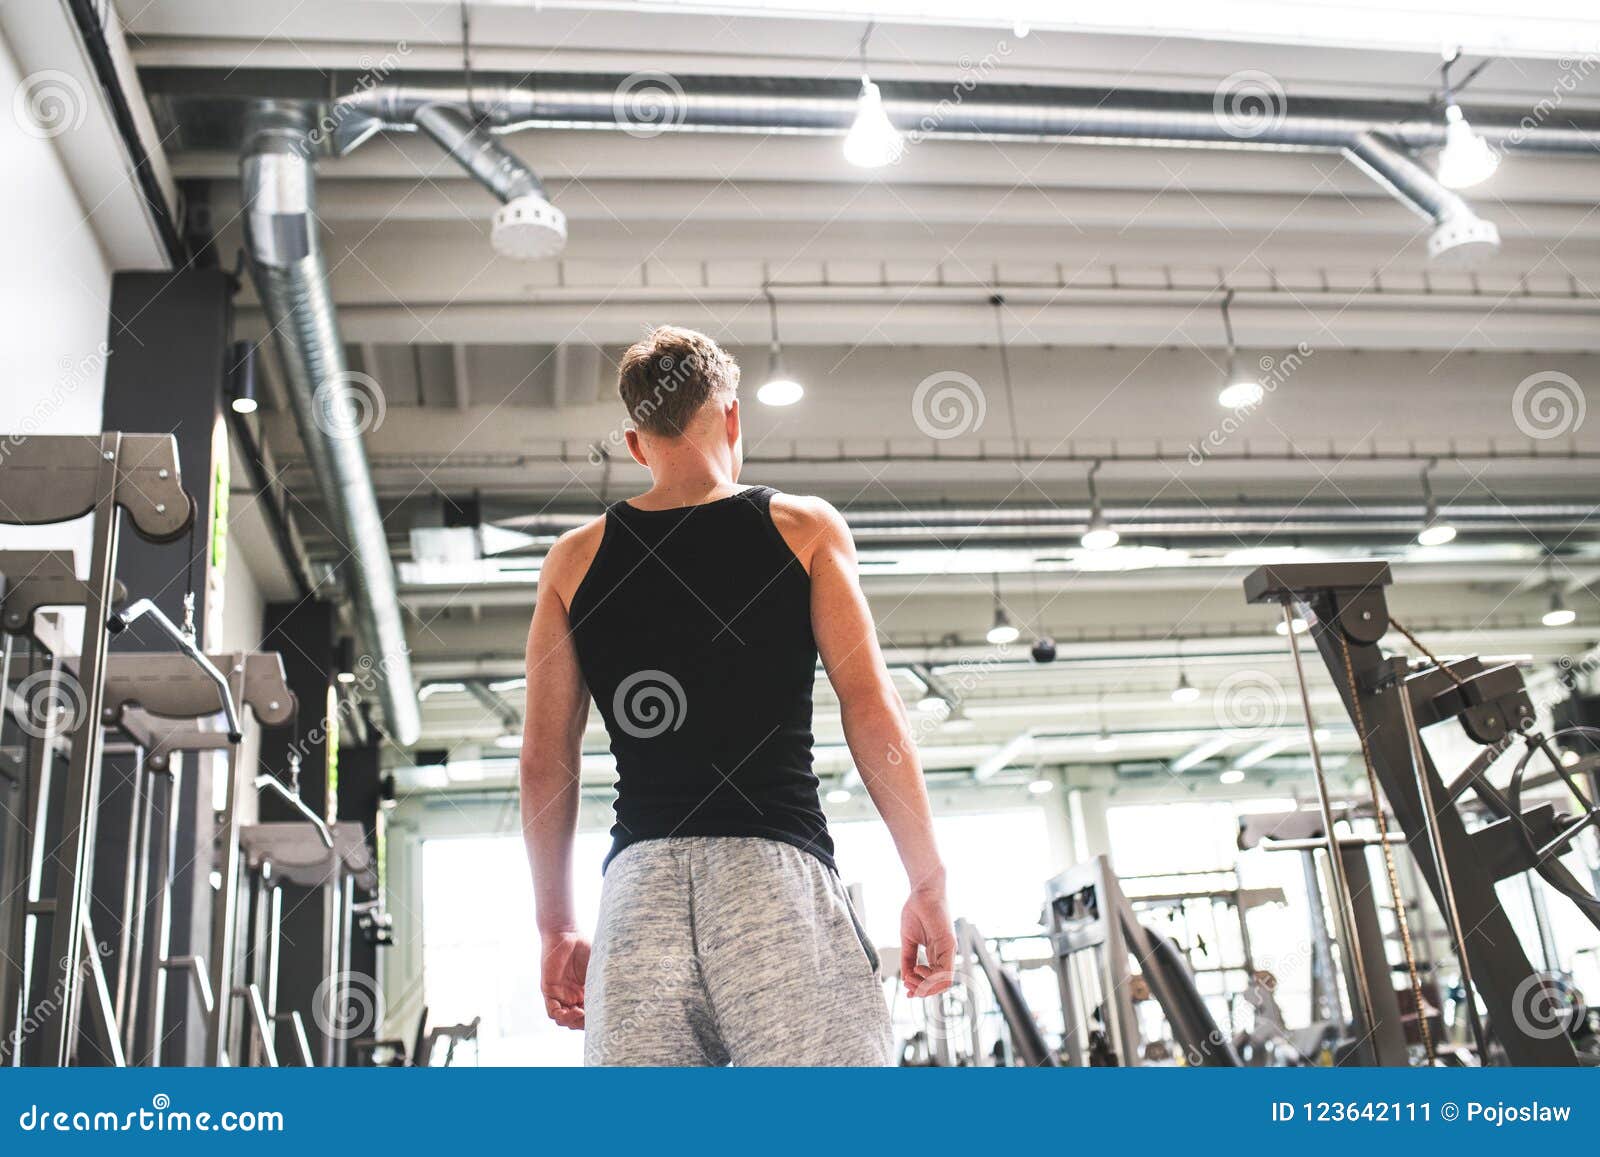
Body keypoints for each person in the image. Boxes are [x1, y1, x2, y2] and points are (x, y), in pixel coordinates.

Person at [518, 325, 955, 1066]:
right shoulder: (802, 529)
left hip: (637, 898)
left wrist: (557, 927)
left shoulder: (573, 559)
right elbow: (872, 707)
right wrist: (927, 879)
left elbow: (543, 760)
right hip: (774, 883)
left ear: (635, 443)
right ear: (732, 418)